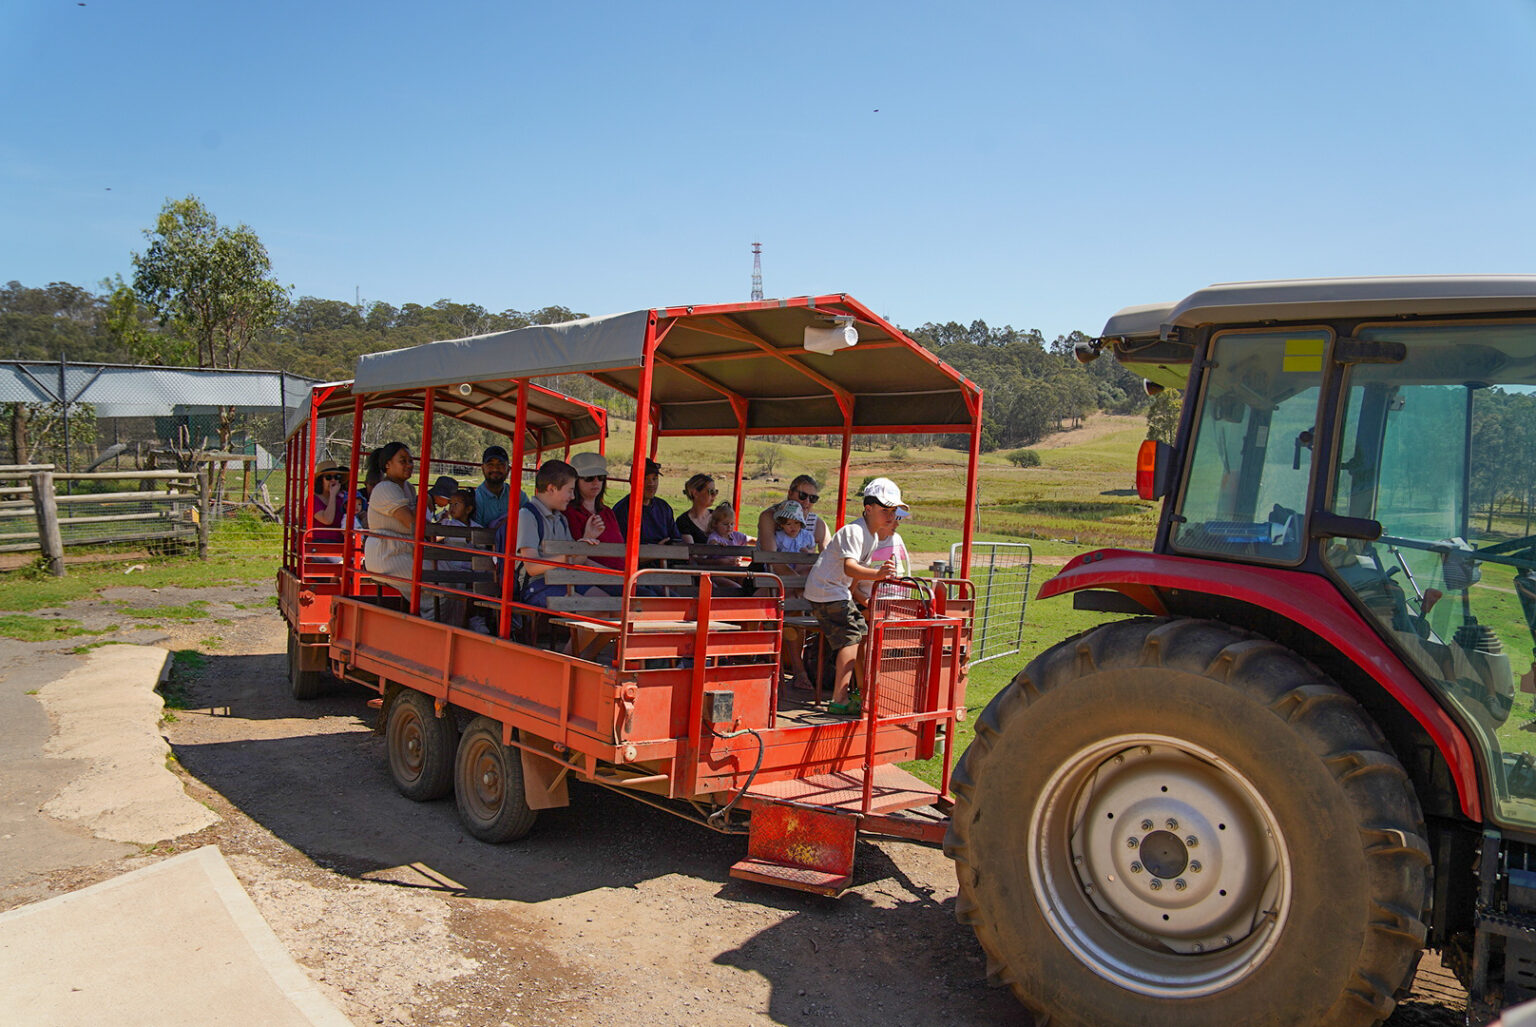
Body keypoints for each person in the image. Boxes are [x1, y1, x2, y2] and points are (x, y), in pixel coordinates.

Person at [802, 477, 906, 715]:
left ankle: (861, 692)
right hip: (825, 591)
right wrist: (878, 574)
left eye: (894, 511)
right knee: (852, 635)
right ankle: (840, 698)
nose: (891, 516)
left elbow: (855, 577)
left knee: (861, 631)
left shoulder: (872, 537)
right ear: (868, 509)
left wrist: (856, 596)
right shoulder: (855, 531)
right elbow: (850, 568)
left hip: (835, 592)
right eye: (885, 510)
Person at [514, 459, 603, 608]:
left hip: (564, 580)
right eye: (570, 490)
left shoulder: (561, 519)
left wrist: (588, 538)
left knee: (608, 603)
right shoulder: (527, 515)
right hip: (537, 585)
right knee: (593, 608)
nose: (573, 496)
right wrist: (566, 556)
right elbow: (532, 567)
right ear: (551, 489)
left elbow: (575, 562)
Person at [363, 442, 417, 580]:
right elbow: (412, 523)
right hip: (388, 555)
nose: (409, 465)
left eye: (410, 461)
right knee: (439, 577)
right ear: (388, 464)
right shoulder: (385, 488)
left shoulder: (409, 488)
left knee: (448, 570)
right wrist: (425, 501)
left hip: (405, 550)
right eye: (403, 461)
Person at [564, 451, 623, 571]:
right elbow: (576, 559)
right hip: (594, 577)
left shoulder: (608, 512)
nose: (596, 482)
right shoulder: (569, 513)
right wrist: (611, 574)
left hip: (622, 574)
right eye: (589, 478)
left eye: (600, 477)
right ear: (575, 481)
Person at [611, 458, 685, 544]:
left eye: (654, 478)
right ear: (632, 481)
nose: (651, 484)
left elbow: (676, 540)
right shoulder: (621, 511)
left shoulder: (664, 508)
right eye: (644, 479)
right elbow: (621, 547)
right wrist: (656, 549)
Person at [757, 474, 831, 552]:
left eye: (813, 498)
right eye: (802, 495)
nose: (807, 501)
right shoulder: (770, 516)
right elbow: (770, 555)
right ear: (790, 493)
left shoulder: (818, 524)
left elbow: (830, 555)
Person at [474, 445, 517, 530]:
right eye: (490, 464)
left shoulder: (517, 495)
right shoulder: (477, 497)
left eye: (500, 464)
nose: (495, 469)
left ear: (508, 469)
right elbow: (476, 533)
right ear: (483, 468)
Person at [310, 460, 347, 549]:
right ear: (320, 481)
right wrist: (333, 495)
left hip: (341, 543)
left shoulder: (342, 498)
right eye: (328, 477)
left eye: (337, 477)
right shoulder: (313, 500)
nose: (333, 480)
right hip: (319, 544)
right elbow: (327, 520)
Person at [676, 473, 720, 544]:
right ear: (695, 493)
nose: (714, 495)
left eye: (716, 491)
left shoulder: (718, 516)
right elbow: (691, 549)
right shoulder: (683, 521)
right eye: (711, 492)